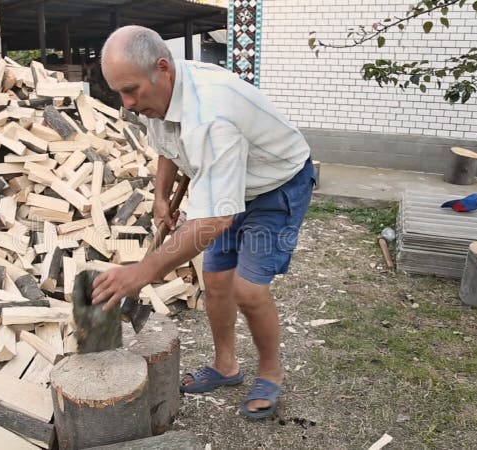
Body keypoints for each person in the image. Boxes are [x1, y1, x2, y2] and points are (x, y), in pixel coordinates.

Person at [90, 25, 314, 420]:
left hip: (275, 186)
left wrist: (141, 272)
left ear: (163, 68)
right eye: (118, 93)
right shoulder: (157, 92)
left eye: (130, 91)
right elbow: (168, 145)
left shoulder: (212, 114)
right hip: (228, 181)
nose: (126, 104)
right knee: (215, 281)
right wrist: (161, 196)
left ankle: (270, 372)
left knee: (247, 288)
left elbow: (215, 219)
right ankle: (226, 366)